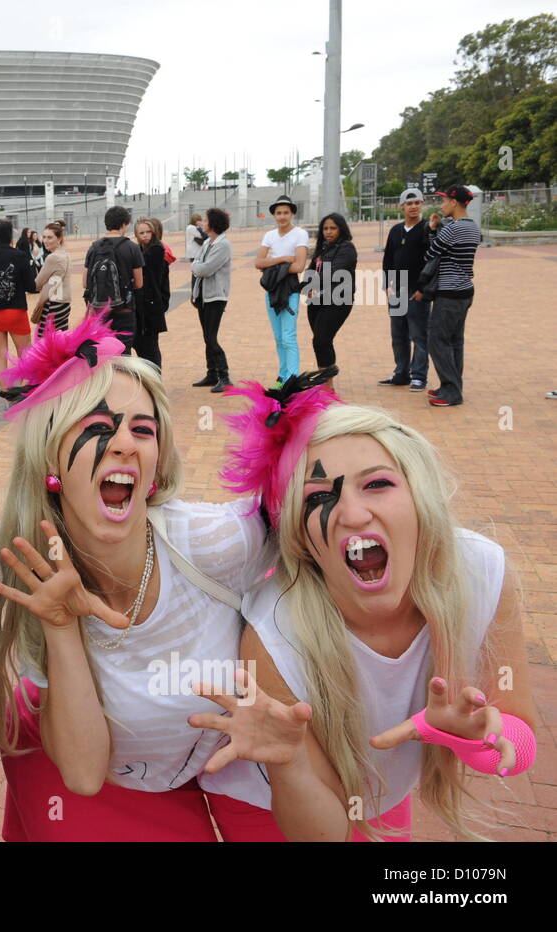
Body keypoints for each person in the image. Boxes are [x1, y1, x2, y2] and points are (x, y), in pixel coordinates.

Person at [0, 316, 282, 840]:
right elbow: (81, 772)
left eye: (142, 429)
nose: (123, 443)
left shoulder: (216, 543)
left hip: (219, 764)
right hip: (88, 763)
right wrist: (59, 627)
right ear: (51, 455)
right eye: (96, 426)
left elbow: (323, 527)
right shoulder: (38, 572)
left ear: (158, 463)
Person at [199, 380, 537, 840]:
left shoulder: (479, 573)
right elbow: (321, 834)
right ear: (302, 538)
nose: (353, 515)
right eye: (319, 497)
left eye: (377, 484)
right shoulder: (276, 633)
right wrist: (293, 762)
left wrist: (479, 741)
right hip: (268, 805)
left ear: (421, 499)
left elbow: (518, 743)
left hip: (382, 788)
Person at [417, 184, 481, 408]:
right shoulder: (473, 227)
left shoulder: (452, 229)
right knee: (454, 341)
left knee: (437, 340)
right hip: (464, 291)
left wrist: (433, 229)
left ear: (455, 203)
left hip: (449, 292)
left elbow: (431, 254)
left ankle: (452, 391)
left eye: (444, 201)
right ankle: (451, 386)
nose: (442, 205)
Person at [254, 195, 310, 388]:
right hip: (272, 289)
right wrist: (284, 259)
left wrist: (272, 264)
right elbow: (258, 262)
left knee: (288, 336)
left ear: (292, 213)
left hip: (290, 289)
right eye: (278, 213)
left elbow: (299, 266)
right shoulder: (269, 235)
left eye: (286, 212)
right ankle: (282, 376)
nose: (282, 216)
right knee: (278, 337)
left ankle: (292, 380)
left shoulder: (300, 234)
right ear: (274, 215)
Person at [380, 189, 432, 391]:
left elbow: (432, 261)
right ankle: (401, 373)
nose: (413, 206)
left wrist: (422, 289)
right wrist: (387, 286)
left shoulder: (428, 229)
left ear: (422, 205)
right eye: (409, 203)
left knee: (418, 335)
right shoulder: (395, 231)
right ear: (402, 206)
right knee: (399, 335)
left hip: (416, 291)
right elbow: (388, 260)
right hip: (397, 290)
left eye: (417, 203)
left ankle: (419, 376)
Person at [0, 219, 38, 373]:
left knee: (0, 354)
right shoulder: (20, 256)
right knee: (24, 353)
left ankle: (5, 391)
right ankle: (25, 390)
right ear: (10, 235)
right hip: (16, 311)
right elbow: (31, 286)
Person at [304, 212, 358, 380]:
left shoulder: (347, 248)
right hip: (317, 301)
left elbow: (334, 273)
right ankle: (326, 379)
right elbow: (310, 270)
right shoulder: (322, 248)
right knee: (321, 342)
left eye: (333, 228)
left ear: (341, 229)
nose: (328, 232)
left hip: (338, 300)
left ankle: (327, 385)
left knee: (321, 340)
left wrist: (312, 284)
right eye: (325, 228)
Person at [83, 206, 144, 348]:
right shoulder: (132, 247)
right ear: (124, 224)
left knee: (103, 354)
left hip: (99, 310)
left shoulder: (94, 247)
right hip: (124, 309)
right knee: (123, 353)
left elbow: (85, 283)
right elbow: (139, 283)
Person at [189, 208, 233, 393]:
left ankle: (224, 376)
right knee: (207, 336)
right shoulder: (208, 242)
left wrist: (196, 266)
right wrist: (197, 266)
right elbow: (199, 265)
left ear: (213, 223)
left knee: (211, 337)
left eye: (205, 220)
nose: (202, 223)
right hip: (204, 296)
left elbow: (204, 269)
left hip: (216, 296)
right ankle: (212, 373)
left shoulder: (223, 245)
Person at [132, 217, 171, 371]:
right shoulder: (140, 249)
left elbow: (146, 271)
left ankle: (155, 380)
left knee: (150, 349)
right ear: (136, 234)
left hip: (152, 305)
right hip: (144, 306)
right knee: (144, 346)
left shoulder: (156, 249)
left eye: (148, 232)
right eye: (141, 232)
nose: (145, 235)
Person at [32, 221, 72, 332]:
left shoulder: (52, 257)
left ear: (59, 239)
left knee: (43, 340)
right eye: (44, 237)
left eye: (50, 237)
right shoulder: (66, 254)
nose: (45, 240)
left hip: (53, 304)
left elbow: (37, 283)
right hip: (65, 303)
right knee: (60, 338)